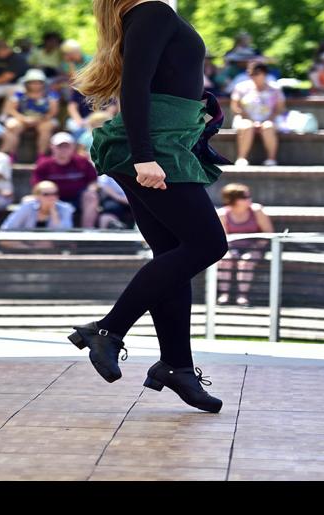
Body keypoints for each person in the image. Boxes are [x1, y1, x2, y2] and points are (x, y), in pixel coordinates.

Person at [75, 0, 229, 414]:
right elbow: (134, 87)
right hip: (153, 147)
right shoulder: (153, 12)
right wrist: (144, 156)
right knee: (209, 244)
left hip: (164, 142)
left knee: (173, 254)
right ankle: (108, 330)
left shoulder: (149, 15)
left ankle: (177, 366)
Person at [215, 182, 271, 306]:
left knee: (246, 262)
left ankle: (242, 296)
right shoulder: (223, 214)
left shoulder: (257, 211)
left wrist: (256, 248)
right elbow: (223, 238)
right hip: (232, 247)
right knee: (225, 260)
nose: (249, 199)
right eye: (245, 197)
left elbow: (268, 233)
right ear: (234, 200)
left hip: (254, 247)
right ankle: (224, 294)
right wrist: (230, 251)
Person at [33, 131, 98, 227]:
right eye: (60, 146)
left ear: (73, 147)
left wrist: (91, 190)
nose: (63, 149)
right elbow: (38, 186)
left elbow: (93, 181)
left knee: (91, 196)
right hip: (52, 198)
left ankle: (87, 230)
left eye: (66, 146)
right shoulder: (43, 164)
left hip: (78, 198)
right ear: (52, 147)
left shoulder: (82, 162)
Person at [230, 59, 285, 166]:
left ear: (264, 74)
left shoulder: (275, 88)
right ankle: (242, 158)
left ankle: (271, 158)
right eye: (250, 74)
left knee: (268, 127)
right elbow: (235, 107)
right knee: (247, 127)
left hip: (269, 119)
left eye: (256, 74)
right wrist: (249, 119)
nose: (252, 76)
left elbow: (279, 108)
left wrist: (269, 119)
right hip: (245, 119)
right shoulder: (241, 87)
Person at [1, 69, 59, 160]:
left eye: (39, 82)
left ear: (43, 83)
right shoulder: (19, 94)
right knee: (12, 125)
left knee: (46, 128)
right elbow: (11, 109)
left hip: (43, 120)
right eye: (32, 82)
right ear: (27, 83)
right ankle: (11, 155)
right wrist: (23, 118)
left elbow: (53, 112)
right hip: (22, 119)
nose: (36, 85)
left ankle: (41, 156)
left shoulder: (50, 95)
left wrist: (39, 119)